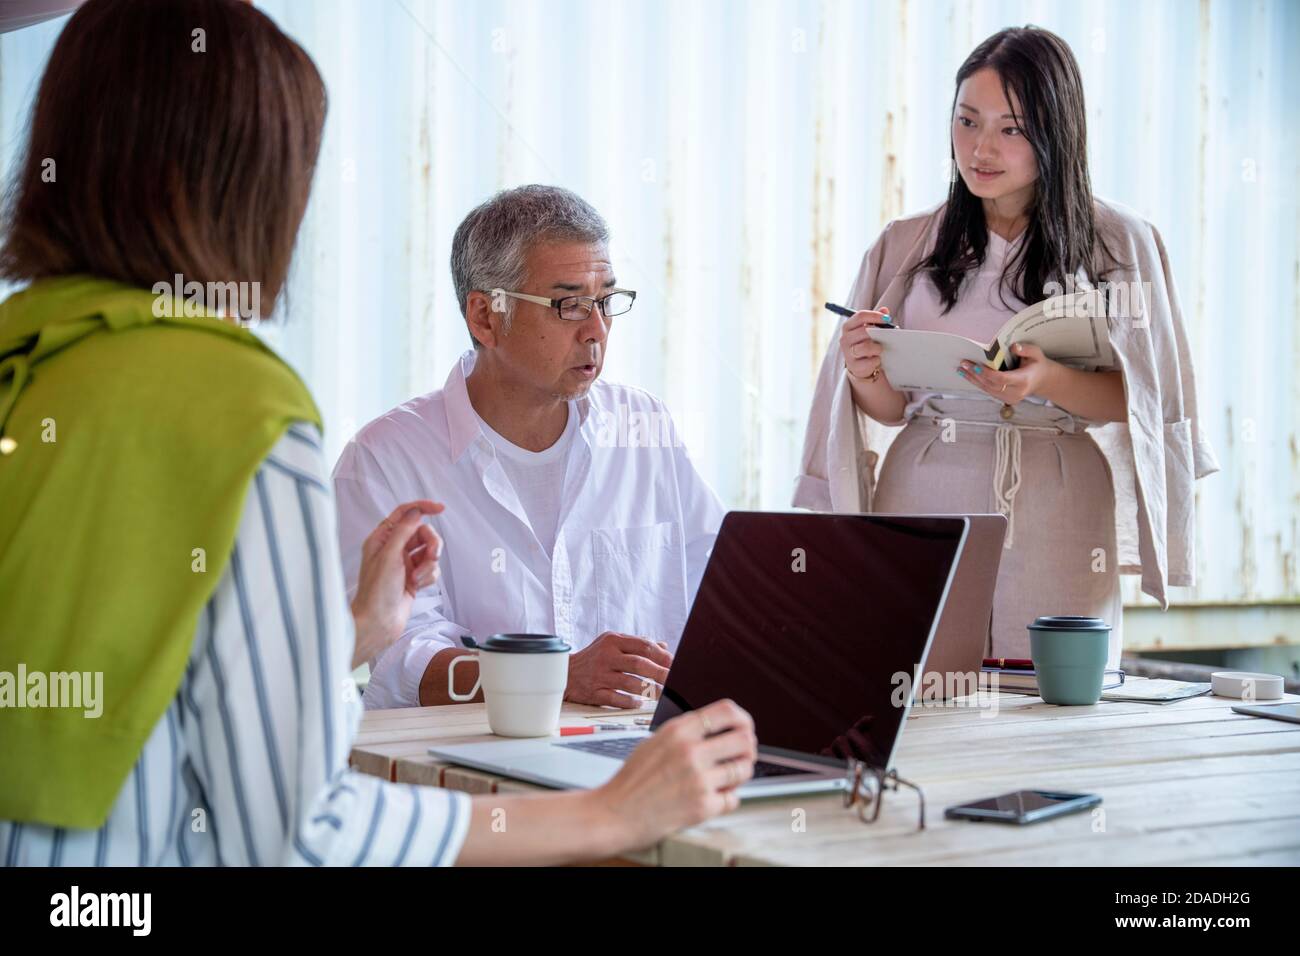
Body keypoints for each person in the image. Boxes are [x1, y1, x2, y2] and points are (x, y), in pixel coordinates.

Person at [0, 0, 755, 867]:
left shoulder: (28, 359)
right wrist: (612, 818)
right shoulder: (236, 409)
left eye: (603, 302)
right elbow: (294, 828)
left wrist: (353, 632)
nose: (594, 328)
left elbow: (158, 673)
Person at [795, 25, 1218, 668]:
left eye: (1011, 128)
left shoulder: (1119, 243)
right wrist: (862, 369)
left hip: (1058, 497)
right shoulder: (908, 243)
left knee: (1052, 702)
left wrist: (1044, 380)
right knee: (921, 695)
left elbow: (1146, 399)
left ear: (1056, 131)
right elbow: (887, 410)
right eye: (967, 121)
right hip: (925, 489)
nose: (980, 148)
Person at [333, 185, 726, 710]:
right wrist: (555, 678)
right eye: (568, 305)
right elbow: (402, 658)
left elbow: (721, 586)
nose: (597, 331)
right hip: (470, 771)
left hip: (634, 758)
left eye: (607, 301)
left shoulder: (643, 428)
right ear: (485, 317)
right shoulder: (386, 458)